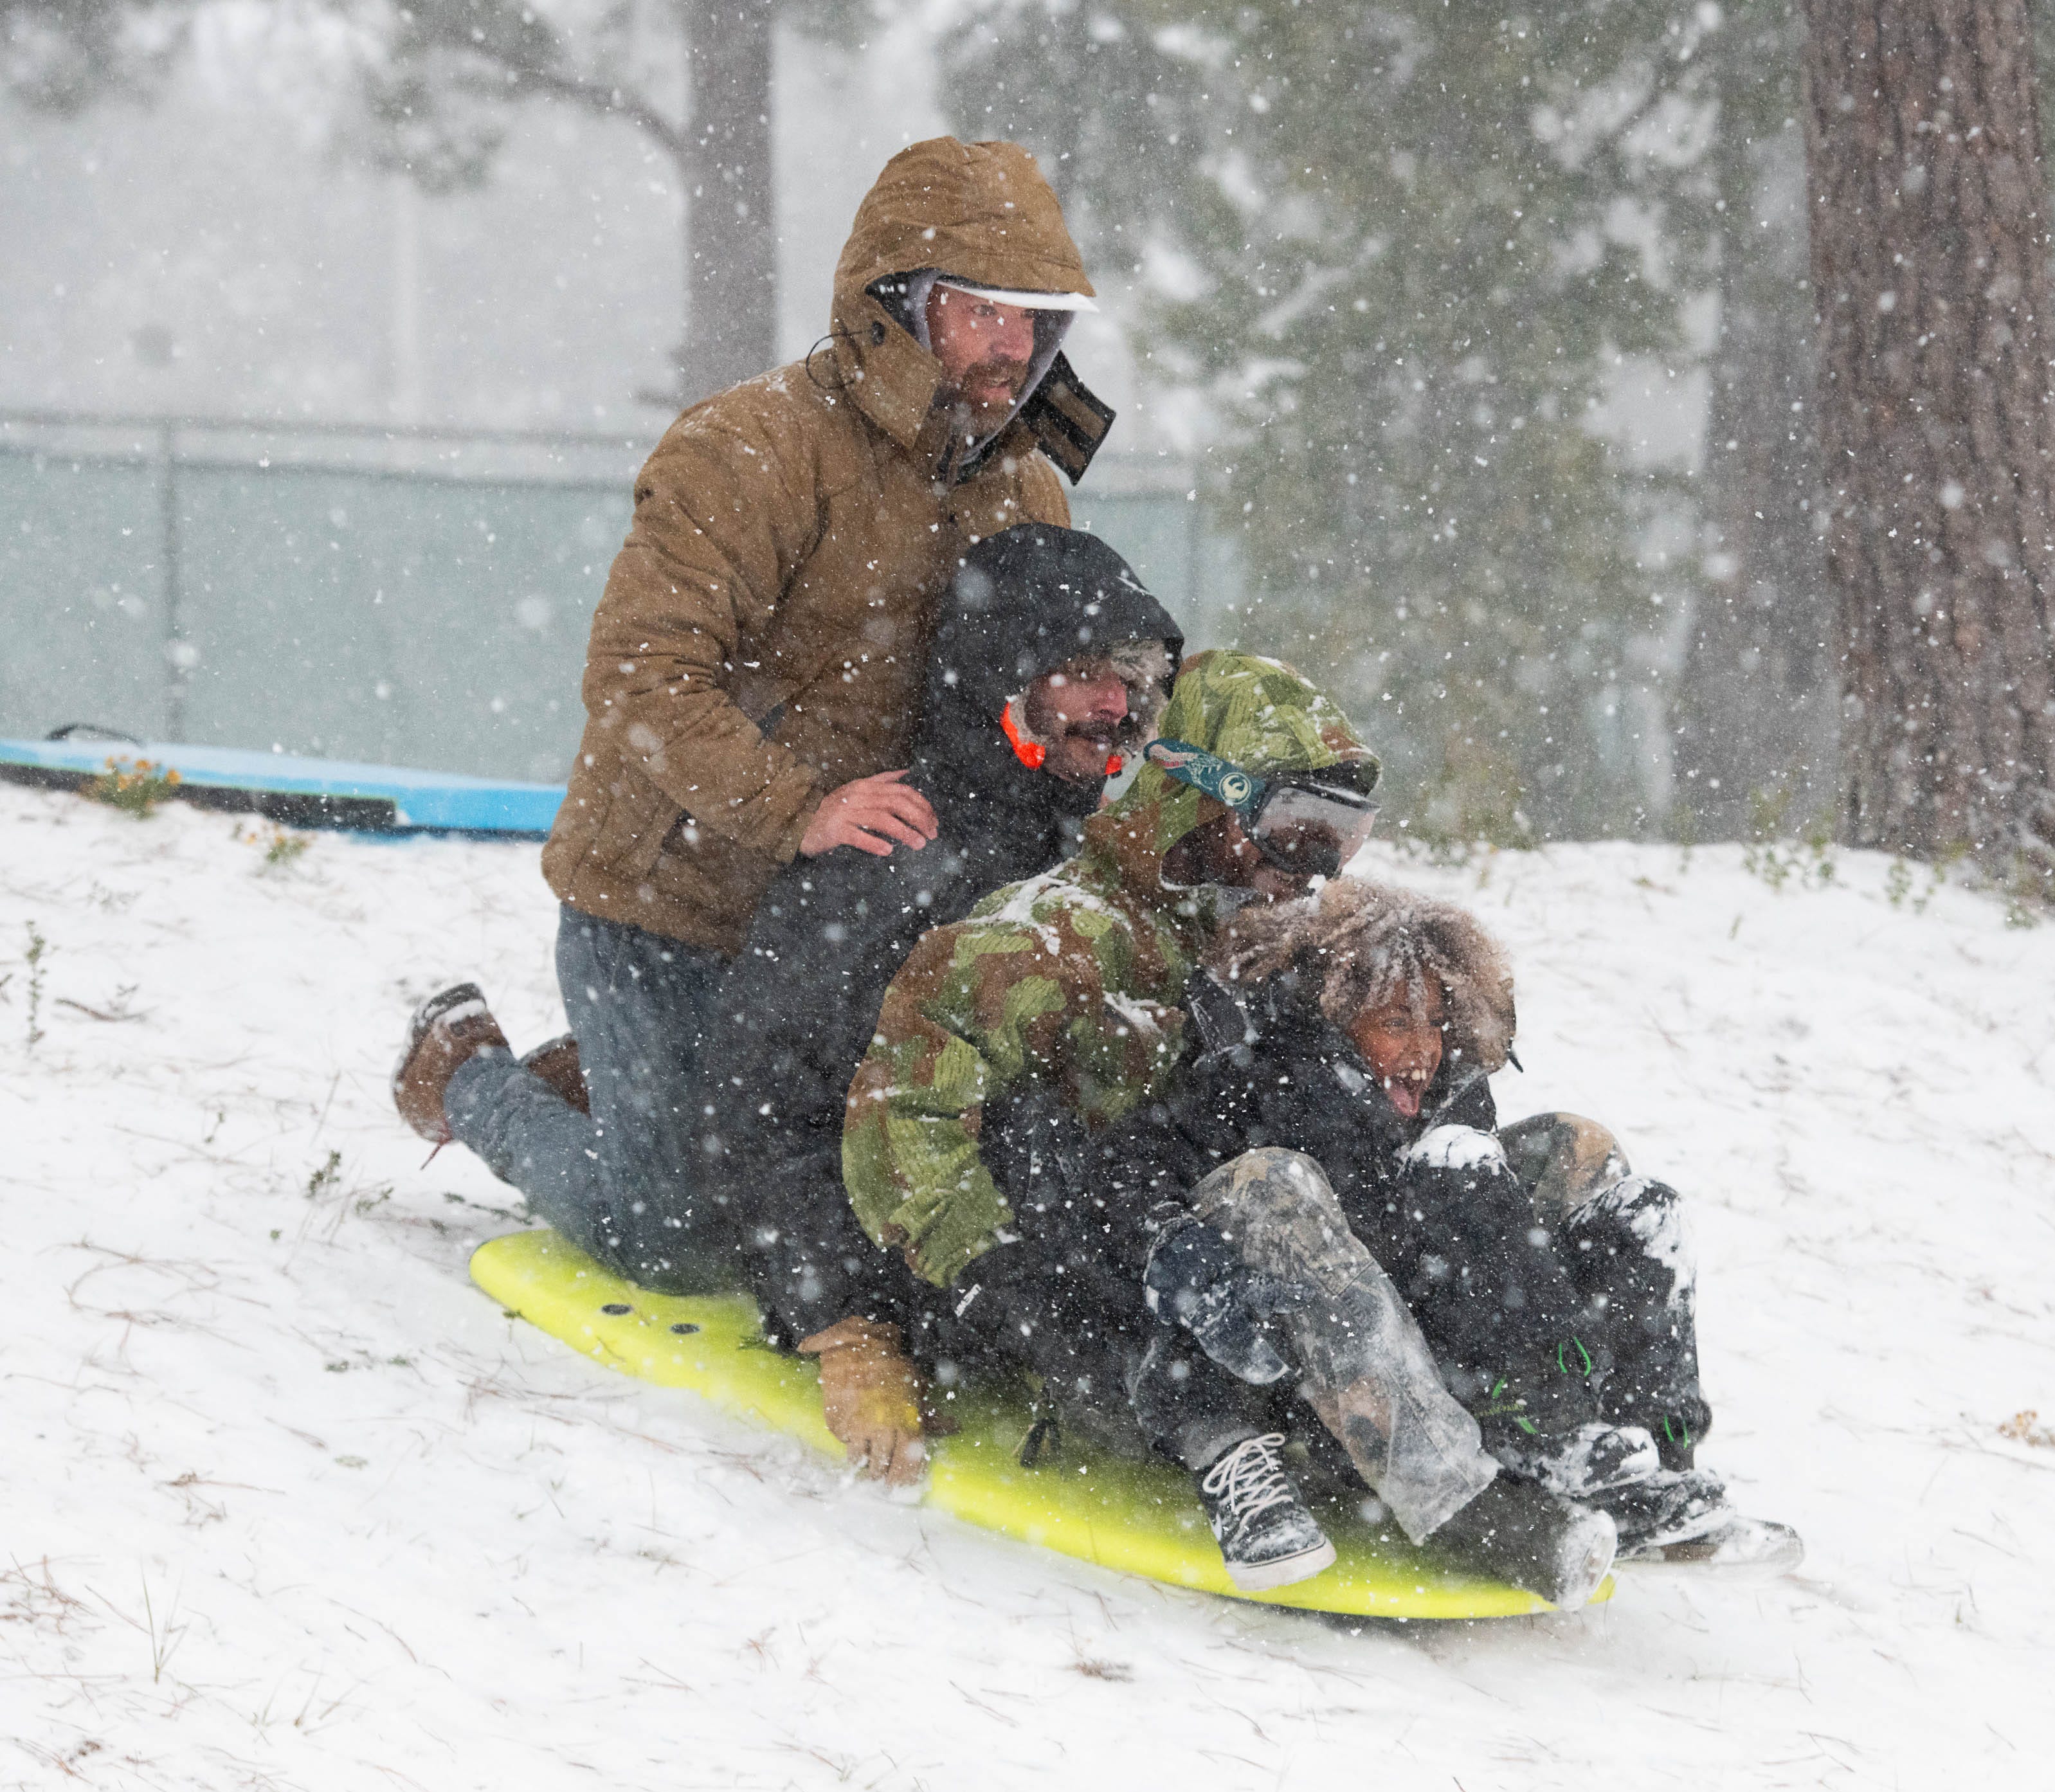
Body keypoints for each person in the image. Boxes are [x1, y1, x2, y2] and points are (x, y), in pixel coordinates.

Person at [389, 136, 1119, 1291]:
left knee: (878, 1200)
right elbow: (640, 675)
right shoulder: (749, 448)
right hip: (669, 903)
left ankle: (630, 1090)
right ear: (897, 305)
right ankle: (468, 1072)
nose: (1014, 348)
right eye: (984, 311)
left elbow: (1035, 695)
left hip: (850, 925)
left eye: (1035, 320)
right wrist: (799, 807)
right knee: (679, 1238)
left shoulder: (1027, 483)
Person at [823, 651, 1622, 1606]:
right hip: (1128, 1307)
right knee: (1269, 1186)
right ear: (1201, 798)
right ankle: (1453, 1499)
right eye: (1298, 827)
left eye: (1343, 836)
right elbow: (902, 1122)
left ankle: (1587, 1431)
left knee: (1574, 1155)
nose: (1317, 865)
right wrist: (999, 1292)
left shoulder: (1282, 932)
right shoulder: (1037, 944)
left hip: (1303, 1277)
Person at [1096, 876, 1803, 1571]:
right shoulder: (1258, 1081)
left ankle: (1645, 1467)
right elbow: (1128, 1170)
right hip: (1327, 1376)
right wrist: (1179, 1250)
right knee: (1307, 1174)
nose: (1424, 1049)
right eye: (1396, 1023)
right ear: (1337, 1017)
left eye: (1435, 1022)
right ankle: (1499, 1476)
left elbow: (1486, 1258)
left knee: (1612, 1179)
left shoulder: (1448, 1096)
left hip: (1455, 1345)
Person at [700, 522, 1182, 1364]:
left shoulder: (1089, 849)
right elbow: (764, 1092)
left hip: (1012, 1230)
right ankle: (479, 1077)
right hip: (897, 1241)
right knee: (640, 1225)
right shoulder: (899, 851)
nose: (1113, 703)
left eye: (1130, 679)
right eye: (1082, 673)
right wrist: (843, 1319)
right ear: (1003, 679)